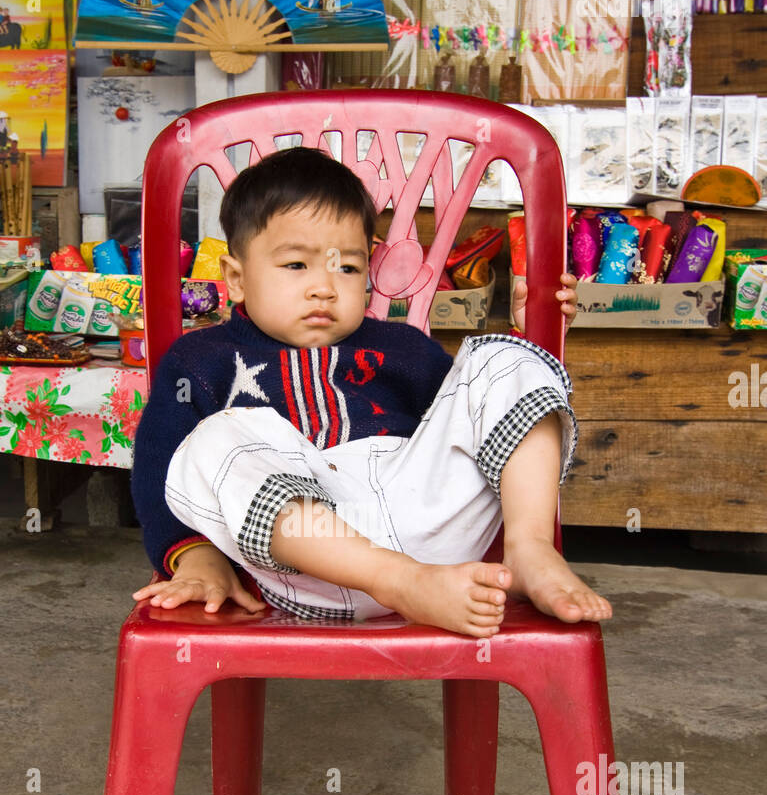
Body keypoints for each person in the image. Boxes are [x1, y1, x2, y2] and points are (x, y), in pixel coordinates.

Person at [131, 147, 609, 638]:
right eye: (296, 265)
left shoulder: (403, 348)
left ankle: (530, 549)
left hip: (428, 536)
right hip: (302, 559)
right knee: (215, 438)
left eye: (348, 268)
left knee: (499, 357)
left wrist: (531, 340)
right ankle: (397, 582)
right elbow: (159, 468)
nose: (324, 287)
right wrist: (196, 557)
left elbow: (479, 420)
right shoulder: (201, 360)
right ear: (236, 278)